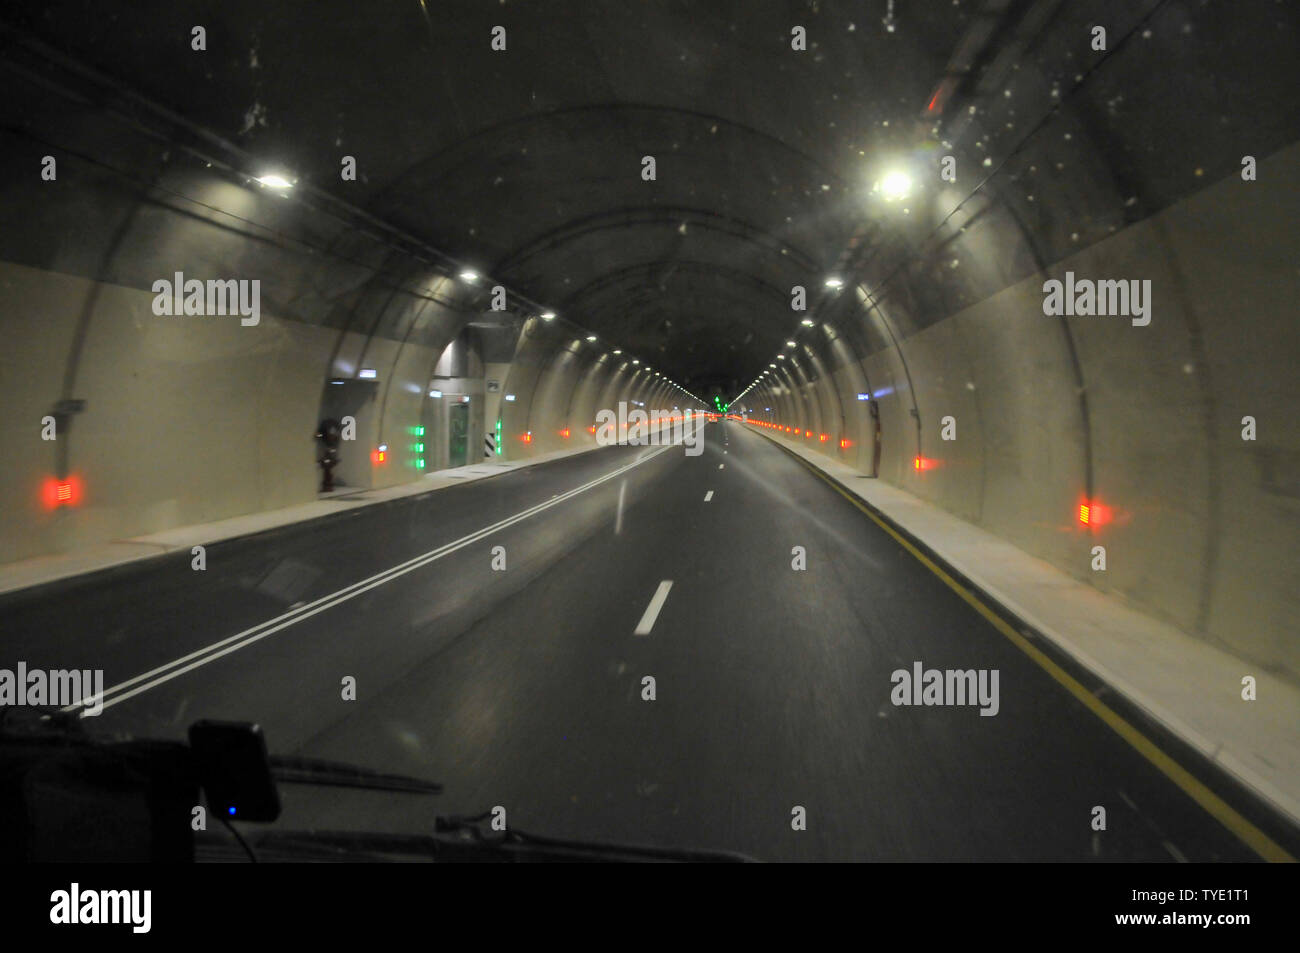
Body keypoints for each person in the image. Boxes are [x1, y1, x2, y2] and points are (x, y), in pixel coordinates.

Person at [315, 418, 341, 492]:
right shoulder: (326, 436)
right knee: (327, 468)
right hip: (328, 451)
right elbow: (319, 435)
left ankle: (328, 485)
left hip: (330, 451)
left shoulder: (333, 439)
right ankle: (327, 485)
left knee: (328, 469)